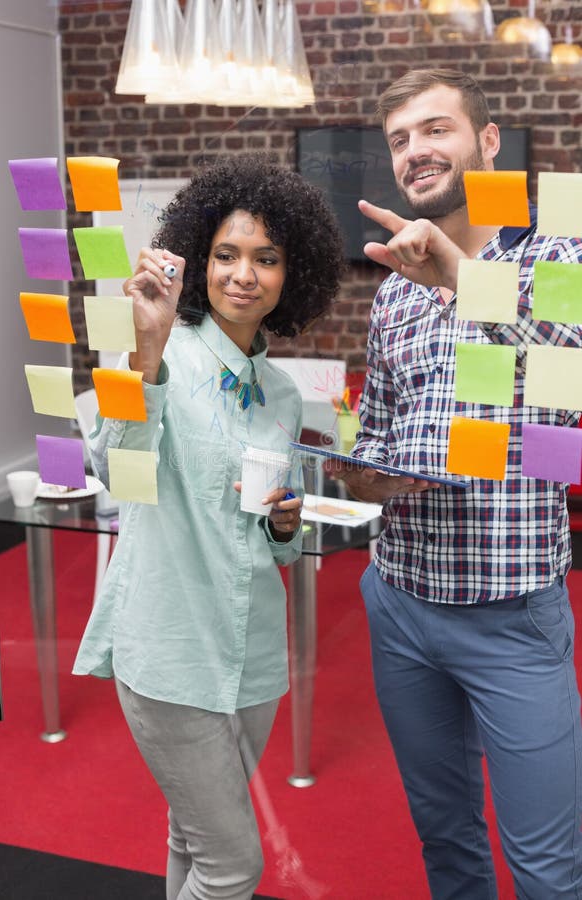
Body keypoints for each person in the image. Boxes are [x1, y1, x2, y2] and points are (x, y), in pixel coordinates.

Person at [332, 68, 582, 899]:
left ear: (488, 141)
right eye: (400, 139)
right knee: (445, 840)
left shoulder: (554, 252)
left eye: (436, 129)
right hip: (400, 604)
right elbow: (379, 434)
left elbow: (574, 369)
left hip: (514, 614)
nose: (416, 151)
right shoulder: (392, 298)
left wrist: (459, 280)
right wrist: (365, 477)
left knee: (549, 872)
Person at [72, 154, 345, 900]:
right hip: (172, 651)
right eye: (226, 254)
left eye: (267, 258)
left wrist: (285, 525)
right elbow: (116, 468)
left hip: (252, 654)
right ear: (200, 259)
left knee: (191, 838)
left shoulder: (281, 393)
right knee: (233, 867)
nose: (243, 275)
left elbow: (276, 543)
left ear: (292, 274)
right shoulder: (158, 352)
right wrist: (147, 350)